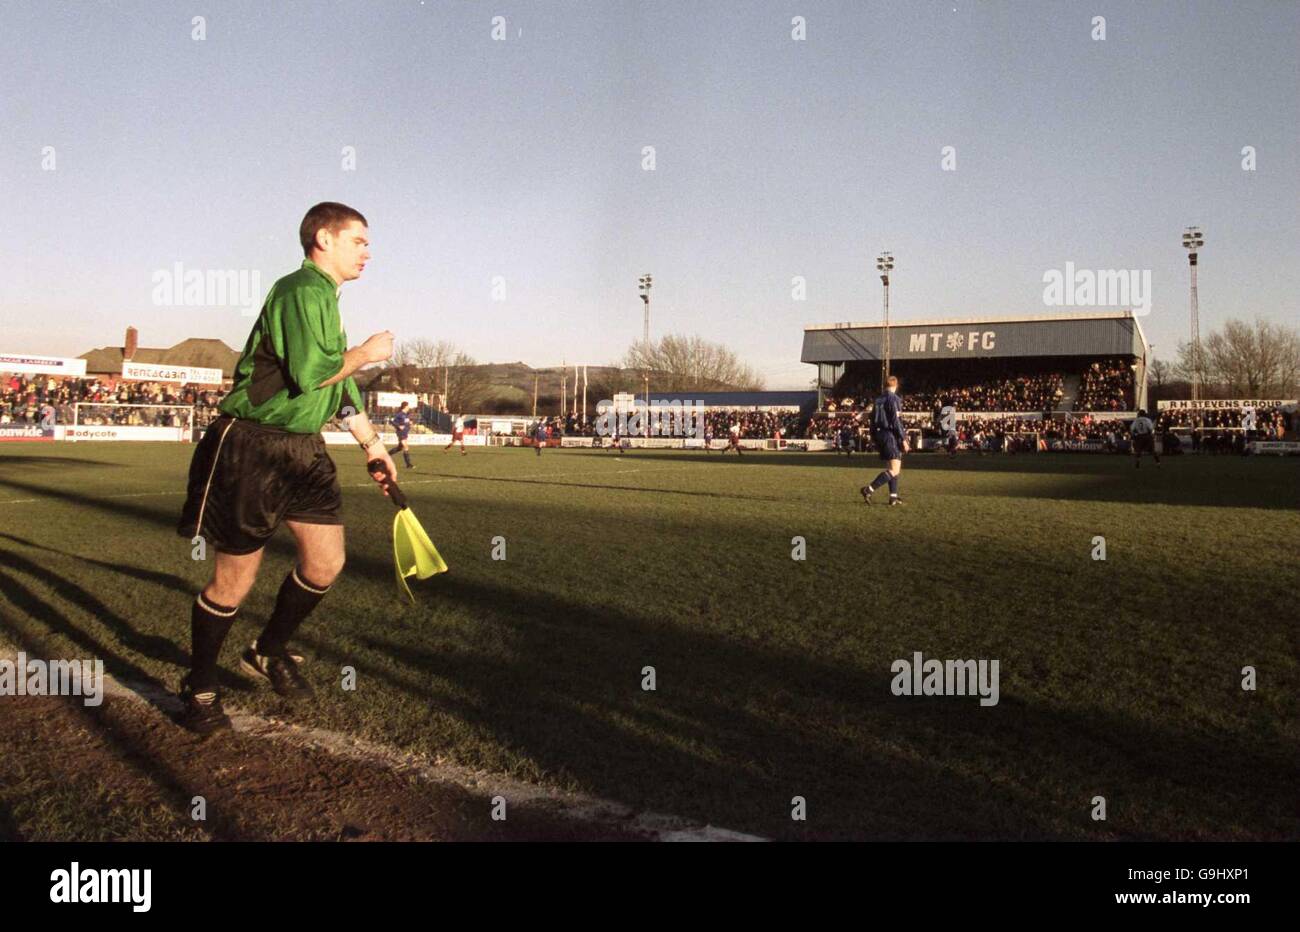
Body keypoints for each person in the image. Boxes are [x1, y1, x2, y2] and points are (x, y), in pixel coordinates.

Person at [174, 201, 397, 735]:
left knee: (326, 562)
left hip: (304, 449)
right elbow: (313, 371)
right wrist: (365, 353)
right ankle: (200, 684)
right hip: (252, 446)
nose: (370, 250)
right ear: (324, 238)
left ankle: (269, 649)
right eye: (359, 240)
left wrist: (371, 442)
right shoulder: (300, 290)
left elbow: (333, 383)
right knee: (235, 579)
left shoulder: (325, 298)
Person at [861, 375, 907, 505]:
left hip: (879, 434)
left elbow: (872, 419)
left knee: (892, 466)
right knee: (894, 469)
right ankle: (868, 489)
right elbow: (896, 421)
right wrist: (903, 439)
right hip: (890, 434)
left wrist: (872, 437)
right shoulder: (894, 399)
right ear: (896, 385)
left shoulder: (878, 400)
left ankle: (893, 496)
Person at [389, 401, 414, 469]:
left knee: (400, 447)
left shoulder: (407, 414)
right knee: (405, 447)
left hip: (405, 433)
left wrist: (410, 423)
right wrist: (398, 426)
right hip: (401, 433)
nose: (409, 407)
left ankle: (387, 455)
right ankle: (408, 464)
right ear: (405, 406)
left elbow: (406, 422)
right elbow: (391, 421)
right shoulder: (399, 414)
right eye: (408, 406)